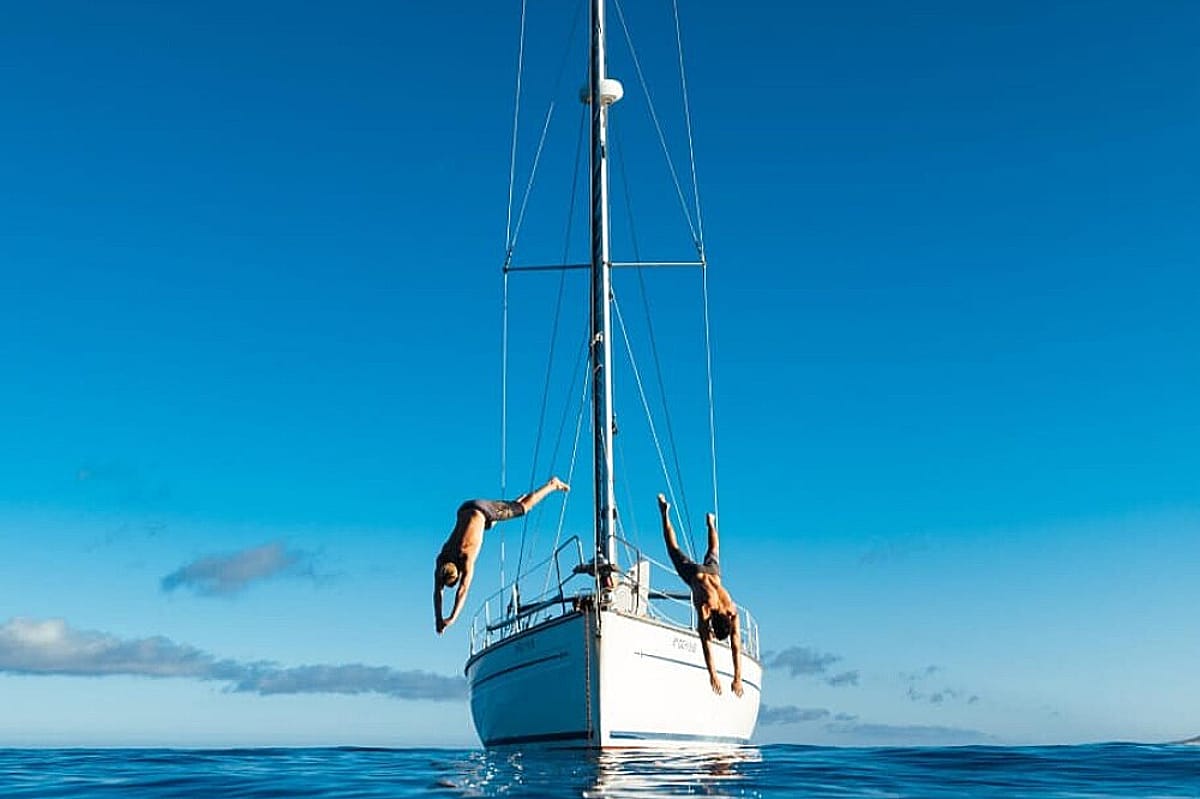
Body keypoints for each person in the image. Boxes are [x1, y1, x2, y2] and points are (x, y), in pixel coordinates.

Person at [434, 477, 569, 633]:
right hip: (467, 508)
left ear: (458, 573)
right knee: (490, 523)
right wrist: (438, 618)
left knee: (524, 508)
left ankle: (552, 484)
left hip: (484, 510)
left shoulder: (466, 557)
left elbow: (462, 590)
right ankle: (514, 504)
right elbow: (438, 592)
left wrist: (452, 618)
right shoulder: (443, 557)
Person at [657, 493, 743, 696]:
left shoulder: (731, 610)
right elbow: (713, 647)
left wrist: (737, 677)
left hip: (713, 573)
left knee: (714, 549)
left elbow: (735, 647)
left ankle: (710, 523)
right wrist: (714, 675)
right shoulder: (707, 610)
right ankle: (664, 514)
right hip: (694, 575)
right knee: (672, 549)